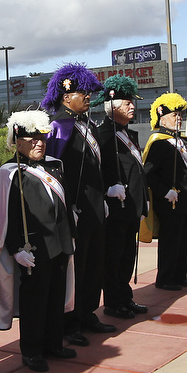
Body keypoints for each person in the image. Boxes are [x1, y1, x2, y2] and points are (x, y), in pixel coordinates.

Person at [0, 110, 77, 372]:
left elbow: (65, 204)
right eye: (32, 138)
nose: (39, 142)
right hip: (32, 248)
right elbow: (6, 216)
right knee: (35, 301)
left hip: (60, 243)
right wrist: (15, 249)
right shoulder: (11, 172)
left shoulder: (55, 166)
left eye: (42, 138)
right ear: (18, 141)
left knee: (56, 296)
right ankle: (32, 350)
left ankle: (53, 344)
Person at [41, 63, 116, 344]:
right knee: (76, 267)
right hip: (73, 209)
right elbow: (53, 170)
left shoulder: (88, 124)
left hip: (95, 206)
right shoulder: (58, 126)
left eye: (88, 92)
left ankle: (87, 313)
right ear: (65, 95)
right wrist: (67, 205)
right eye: (82, 92)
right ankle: (69, 323)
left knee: (94, 263)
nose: (88, 96)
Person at [94, 75, 149, 318]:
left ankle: (125, 297)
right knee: (113, 257)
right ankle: (114, 302)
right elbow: (97, 171)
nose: (132, 107)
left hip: (132, 207)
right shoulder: (103, 135)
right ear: (113, 106)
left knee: (127, 256)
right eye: (127, 103)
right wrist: (107, 189)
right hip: (116, 208)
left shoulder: (129, 134)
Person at [142, 93, 187, 290]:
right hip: (169, 201)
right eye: (174, 115)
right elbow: (148, 174)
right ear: (162, 118)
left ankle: (179, 275)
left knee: (183, 240)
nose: (178, 118)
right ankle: (165, 278)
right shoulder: (159, 143)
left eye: (180, 115)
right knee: (170, 241)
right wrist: (165, 192)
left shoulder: (184, 141)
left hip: (186, 200)